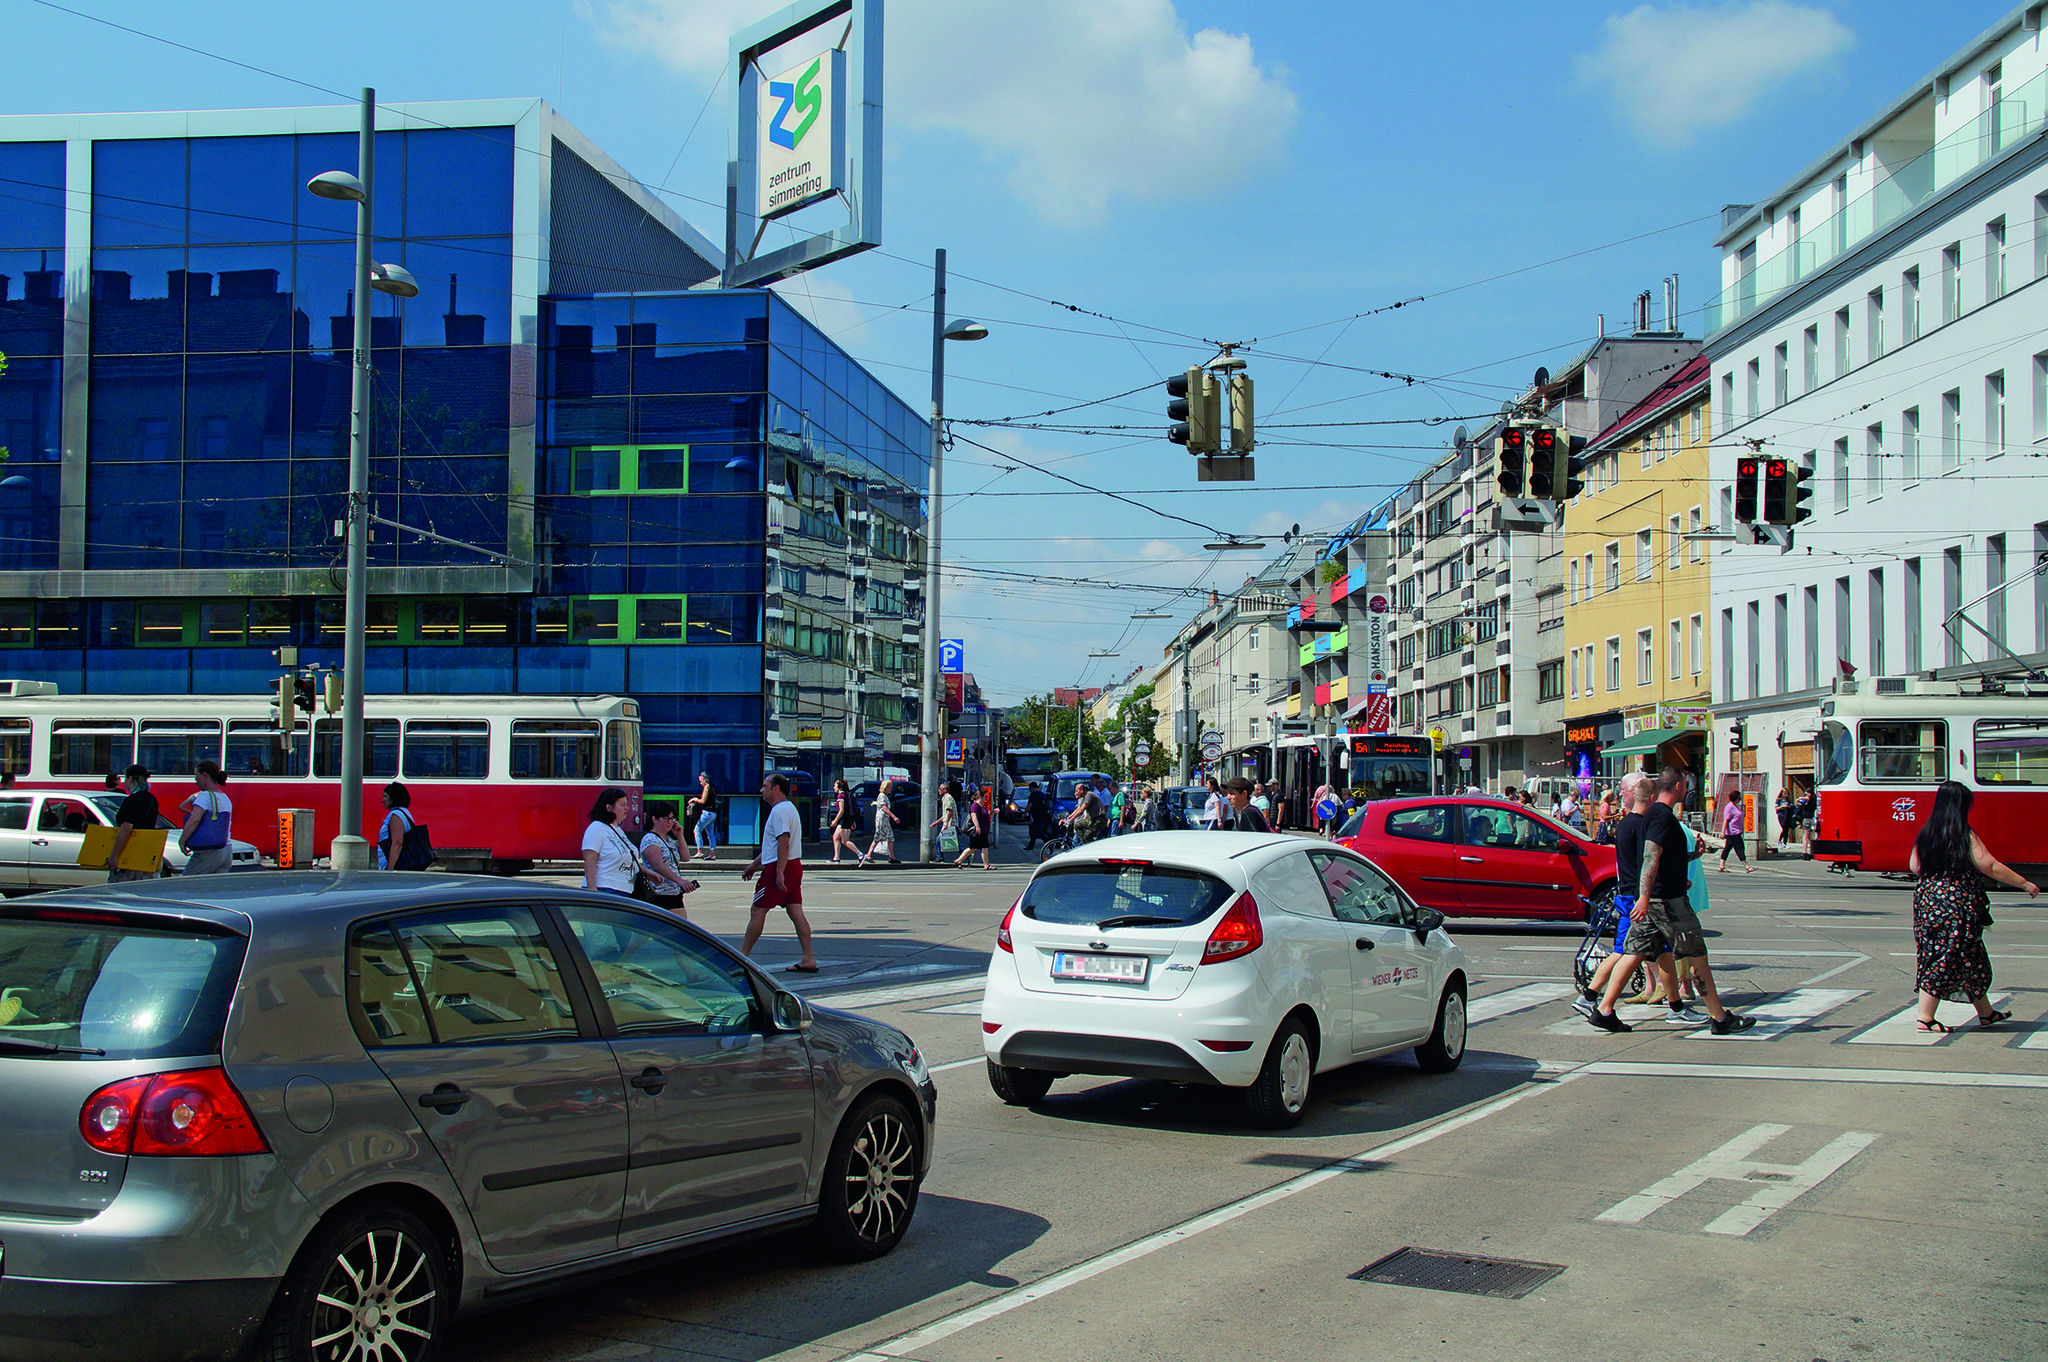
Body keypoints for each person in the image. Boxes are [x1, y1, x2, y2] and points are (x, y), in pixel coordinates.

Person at [1587, 767, 1753, 1035]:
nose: (1686, 791)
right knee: (1697, 954)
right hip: (1667, 902)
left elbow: (1660, 858)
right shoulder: (1663, 817)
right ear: (1678, 787)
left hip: (1654, 899)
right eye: (1685, 786)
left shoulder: (1650, 815)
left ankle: (1604, 1009)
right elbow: (1651, 856)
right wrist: (1643, 896)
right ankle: (1720, 1019)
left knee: (1632, 953)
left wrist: (1687, 861)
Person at [1908, 780, 2036, 1032]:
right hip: (1956, 905)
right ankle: (1925, 1017)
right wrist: (2024, 884)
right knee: (1950, 956)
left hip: (1927, 902)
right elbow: (1989, 865)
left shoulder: (1927, 833)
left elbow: (1915, 866)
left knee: (1968, 957)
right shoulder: (1963, 834)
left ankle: (1986, 1014)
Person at [1575, 773, 1656, 1017]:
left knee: (1658, 950)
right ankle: (1594, 999)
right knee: (1625, 952)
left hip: (1630, 894)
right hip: (1634, 896)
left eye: (1623, 789)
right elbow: (1647, 862)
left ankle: (1675, 1003)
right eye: (1621, 790)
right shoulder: (1636, 825)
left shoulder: (1626, 823)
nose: (1620, 794)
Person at [742, 773, 818, 972]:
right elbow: (774, 845)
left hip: (781, 866)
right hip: (793, 865)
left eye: (765, 786)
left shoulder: (779, 812)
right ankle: (808, 957)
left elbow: (783, 842)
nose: (761, 790)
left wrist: (778, 873)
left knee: (757, 910)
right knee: (796, 912)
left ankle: (741, 957)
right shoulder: (789, 808)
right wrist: (754, 865)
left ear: (776, 788)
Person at [636, 801, 698, 916]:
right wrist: (680, 881)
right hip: (658, 893)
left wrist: (679, 836)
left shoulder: (668, 839)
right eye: (666, 819)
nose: (670, 823)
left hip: (674, 893)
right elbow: (658, 865)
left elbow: (685, 857)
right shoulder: (650, 839)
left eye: (672, 819)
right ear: (655, 819)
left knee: (680, 927)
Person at [176, 761, 234, 875]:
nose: (195, 780)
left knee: (186, 884)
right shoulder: (224, 797)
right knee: (213, 889)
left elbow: (194, 820)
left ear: (205, 775)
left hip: (208, 852)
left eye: (196, 775)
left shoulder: (205, 796)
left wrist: (182, 840)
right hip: (226, 850)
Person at [579, 787, 639, 894]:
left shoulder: (618, 830)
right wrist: (592, 888)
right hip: (605, 888)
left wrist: (647, 872)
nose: (627, 808)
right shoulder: (597, 827)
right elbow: (590, 858)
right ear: (609, 807)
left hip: (624, 889)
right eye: (622, 805)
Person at [104, 765, 158, 883]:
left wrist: (114, 855)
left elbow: (126, 829)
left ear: (130, 779)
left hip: (129, 855)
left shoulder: (131, 801)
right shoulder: (152, 799)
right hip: (146, 853)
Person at [376, 782, 423, 870]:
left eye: (386, 796)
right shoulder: (404, 812)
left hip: (396, 866)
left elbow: (397, 843)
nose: (383, 800)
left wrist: (390, 868)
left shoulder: (396, 815)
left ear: (393, 798)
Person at [862, 777, 901, 866]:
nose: (891, 789)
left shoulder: (885, 796)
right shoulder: (882, 796)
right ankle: (868, 855)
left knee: (890, 837)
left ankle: (891, 856)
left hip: (885, 820)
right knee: (878, 837)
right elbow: (884, 807)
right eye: (890, 787)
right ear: (885, 787)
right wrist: (894, 816)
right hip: (882, 820)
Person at [956, 787, 996, 869]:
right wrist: (977, 827)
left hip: (982, 829)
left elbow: (986, 816)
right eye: (984, 797)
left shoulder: (980, 806)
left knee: (973, 847)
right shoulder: (975, 805)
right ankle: (986, 864)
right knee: (984, 847)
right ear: (980, 797)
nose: (985, 799)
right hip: (979, 830)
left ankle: (959, 860)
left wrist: (993, 812)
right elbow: (973, 815)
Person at [1718, 790, 1753, 873]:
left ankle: (1721, 865)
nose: (1740, 800)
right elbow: (1726, 820)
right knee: (1739, 848)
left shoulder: (1737, 806)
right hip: (1733, 832)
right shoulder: (1729, 807)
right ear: (1736, 798)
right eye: (1739, 798)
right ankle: (1747, 866)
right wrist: (1723, 832)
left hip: (1737, 831)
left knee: (1727, 848)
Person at [827, 778, 860, 863]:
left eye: (835, 786)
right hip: (846, 820)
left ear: (839, 787)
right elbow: (849, 809)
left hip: (844, 820)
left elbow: (842, 810)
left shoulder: (841, 796)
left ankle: (860, 855)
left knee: (845, 840)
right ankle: (836, 858)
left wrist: (835, 821)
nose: (834, 788)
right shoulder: (846, 795)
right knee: (835, 837)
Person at [687, 772, 717, 861]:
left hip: (707, 812)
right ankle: (712, 853)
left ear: (705, 780)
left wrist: (694, 799)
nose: (700, 783)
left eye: (701, 781)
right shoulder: (712, 787)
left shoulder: (706, 787)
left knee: (697, 830)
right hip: (713, 813)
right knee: (710, 832)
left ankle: (700, 851)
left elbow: (703, 801)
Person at [933, 780, 962, 854]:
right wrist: (937, 822)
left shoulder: (947, 798)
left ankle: (939, 858)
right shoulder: (946, 798)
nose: (938, 790)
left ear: (945, 790)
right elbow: (945, 815)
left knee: (939, 841)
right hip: (950, 824)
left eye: (940, 789)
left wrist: (945, 824)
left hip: (950, 824)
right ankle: (967, 854)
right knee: (953, 843)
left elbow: (949, 812)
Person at [1024, 782, 1049, 849]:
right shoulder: (1042, 794)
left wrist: (1024, 813)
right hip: (1042, 815)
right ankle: (1030, 846)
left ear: (1032, 787)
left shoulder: (1033, 794)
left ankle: (1049, 843)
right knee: (1034, 832)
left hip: (1035, 815)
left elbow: (1030, 805)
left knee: (1038, 832)